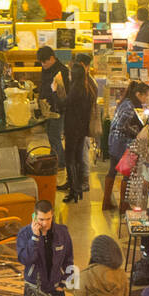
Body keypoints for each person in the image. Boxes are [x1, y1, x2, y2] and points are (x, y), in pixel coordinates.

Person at [16, 201, 73, 296]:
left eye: (48, 219)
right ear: (34, 217)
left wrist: (63, 283)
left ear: (52, 215)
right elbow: (25, 260)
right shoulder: (24, 233)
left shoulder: (62, 232)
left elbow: (69, 260)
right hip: (33, 287)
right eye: (41, 219)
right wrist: (35, 238)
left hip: (56, 287)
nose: (45, 223)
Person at [104, 81, 149, 211]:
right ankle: (123, 207)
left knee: (112, 171)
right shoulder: (130, 106)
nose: (146, 98)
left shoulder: (126, 102)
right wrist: (137, 133)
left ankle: (106, 203)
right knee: (127, 174)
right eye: (145, 95)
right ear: (138, 94)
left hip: (114, 142)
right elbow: (122, 126)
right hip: (123, 143)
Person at [62, 62, 94, 203]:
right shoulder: (87, 88)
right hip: (82, 129)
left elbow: (64, 104)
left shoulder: (75, 90)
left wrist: (55, 91)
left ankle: (73, 191)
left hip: (72, 128)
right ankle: (78, 189)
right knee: (78, 158)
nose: (69, 75)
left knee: (70, 159)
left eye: (70, 73)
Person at [36, 46, 69, 167]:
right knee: (51, 136)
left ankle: (60, 163)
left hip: (57, 109)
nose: (42, 64)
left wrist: (58, 105)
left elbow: (63, 94)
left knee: (54, 137)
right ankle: (53, 159)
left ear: (51, 58)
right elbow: (43, 86)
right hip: (46, 107)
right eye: (41, 62)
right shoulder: (45, 68)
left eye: (44, 61)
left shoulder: (62, 71)